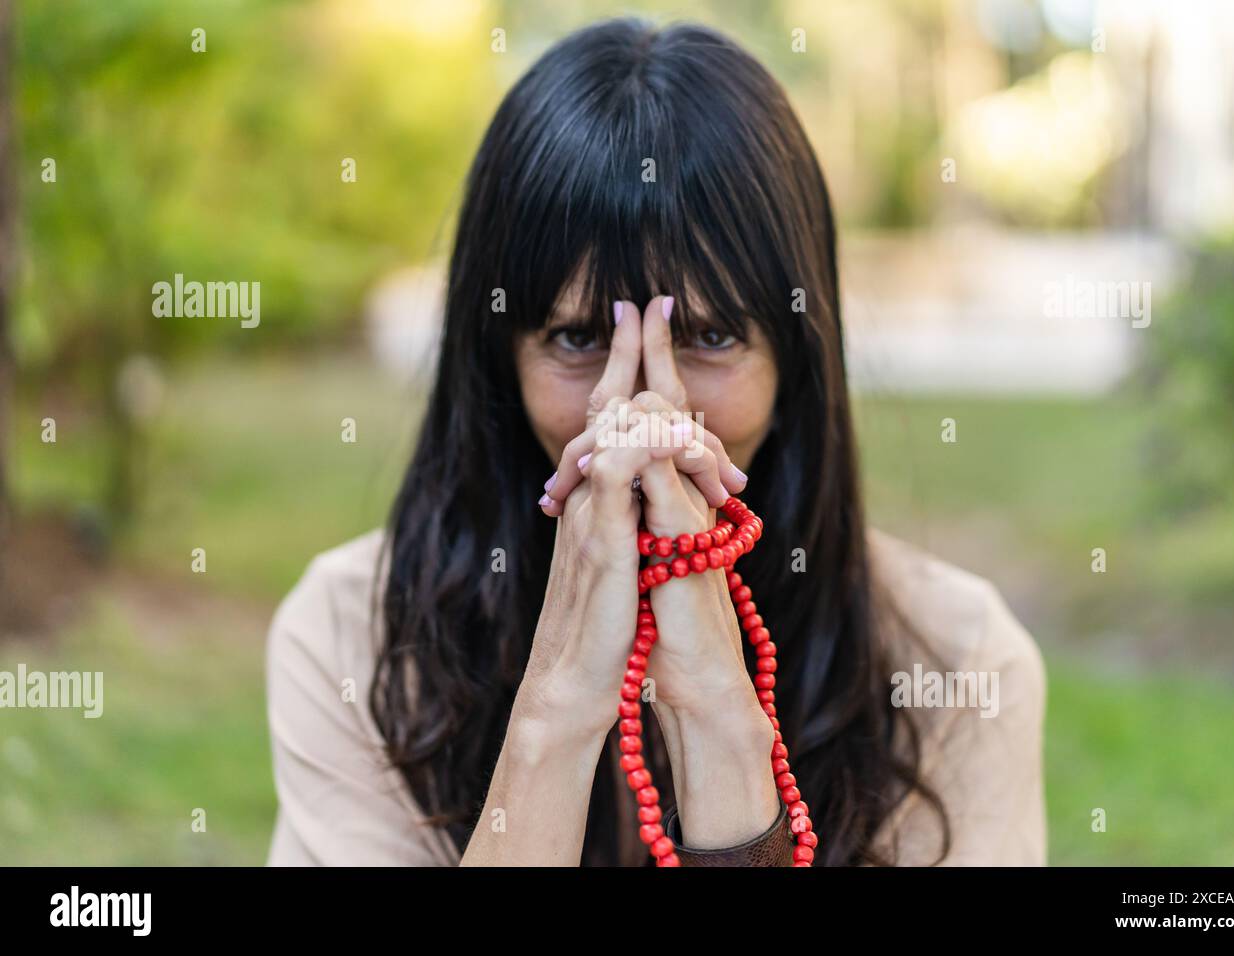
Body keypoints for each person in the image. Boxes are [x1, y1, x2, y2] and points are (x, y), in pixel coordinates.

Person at [265, 18, 1046, 867]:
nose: (642, 411)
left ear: (797, 360)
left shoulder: (957, 662)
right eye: (575, 338)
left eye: (707, 335)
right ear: (499, 363)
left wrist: (720, 715)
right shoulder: (351, 638)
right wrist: (557, 712)